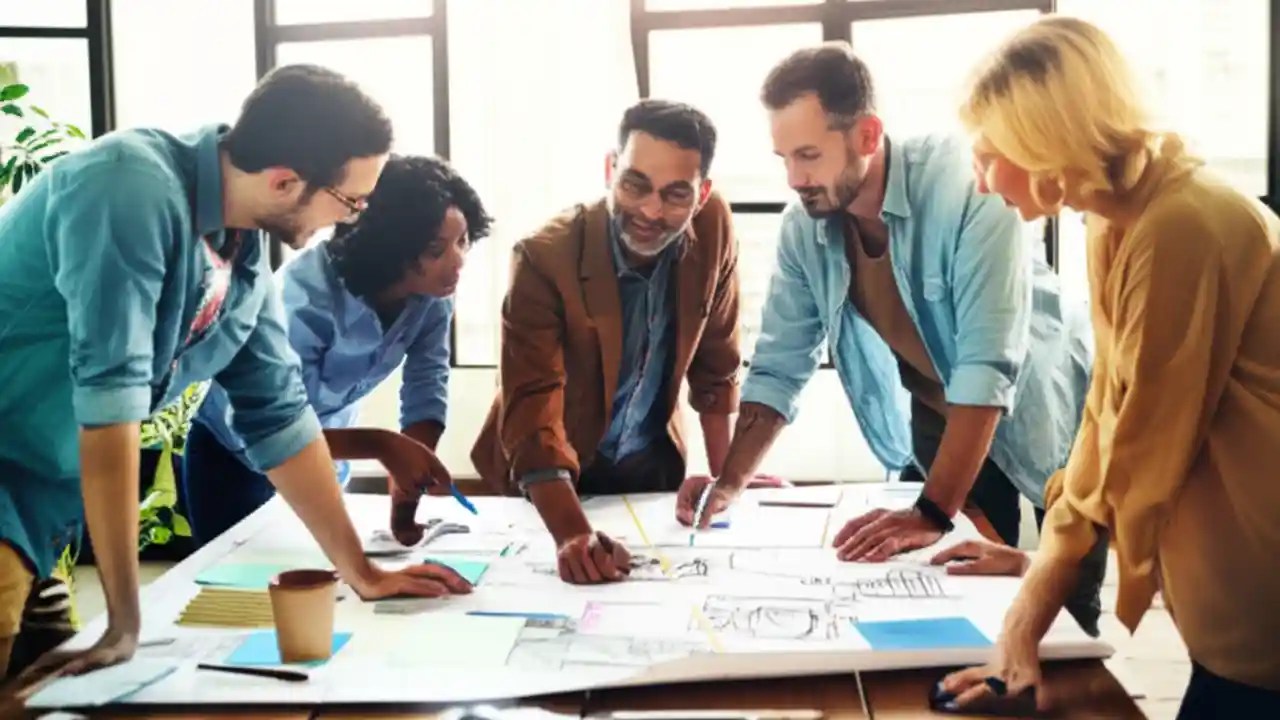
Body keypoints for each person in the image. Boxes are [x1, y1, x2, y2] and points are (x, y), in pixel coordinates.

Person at [0, 65, 471, 681]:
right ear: (284, 181)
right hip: (9, 477)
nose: (352, 220)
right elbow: (110, 403)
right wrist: (124, 620)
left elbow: (281, 418)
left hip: (40, 510)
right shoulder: (128, 189)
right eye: (350, 202)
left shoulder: (241, 259)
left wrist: (365, 574)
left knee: (60, 695)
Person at [674, 41, 1104, 635]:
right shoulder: (805, 228)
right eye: (784, 158)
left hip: (1043, 404)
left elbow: (987, 365)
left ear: (868, 135)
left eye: (809, 155)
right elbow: (778, 366)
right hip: (940, 411)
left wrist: (931, 511)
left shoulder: (968, 185)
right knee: (960, 594)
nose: (794, 179)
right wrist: (728, 485)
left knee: (1067, 604)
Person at [938, 17, 1280, 716]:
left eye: (988, 154)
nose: (980, 182)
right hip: (1223, 591)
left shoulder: (1185, 224)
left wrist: (1024, 622)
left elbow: (1136, 446)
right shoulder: (1116, 220)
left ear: (1046, 139)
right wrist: (1038, 571)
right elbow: (1103, 409)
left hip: (1260, 587)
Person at [471, 99, 741, 585]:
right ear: (610, 169)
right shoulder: (544, 257)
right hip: (550, 479)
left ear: (701, 194)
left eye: (675, 194)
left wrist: (726, 480)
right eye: (635, 184)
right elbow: (533, 410)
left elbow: (716, 361)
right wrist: (571, 534)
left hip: (648, 468)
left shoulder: (713, 224)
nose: (651, 211)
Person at [183, 154, 492, 549]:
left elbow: (426, 386)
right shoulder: (304, 299)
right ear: (394, 247)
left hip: (324, 452)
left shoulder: (432, 297)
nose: (457, 263)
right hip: (235, 458)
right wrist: (383, 445)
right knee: (240, 580)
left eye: (462, 242)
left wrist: (407, 490)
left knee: (325, 569)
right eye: (436, 250)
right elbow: (270, 422)